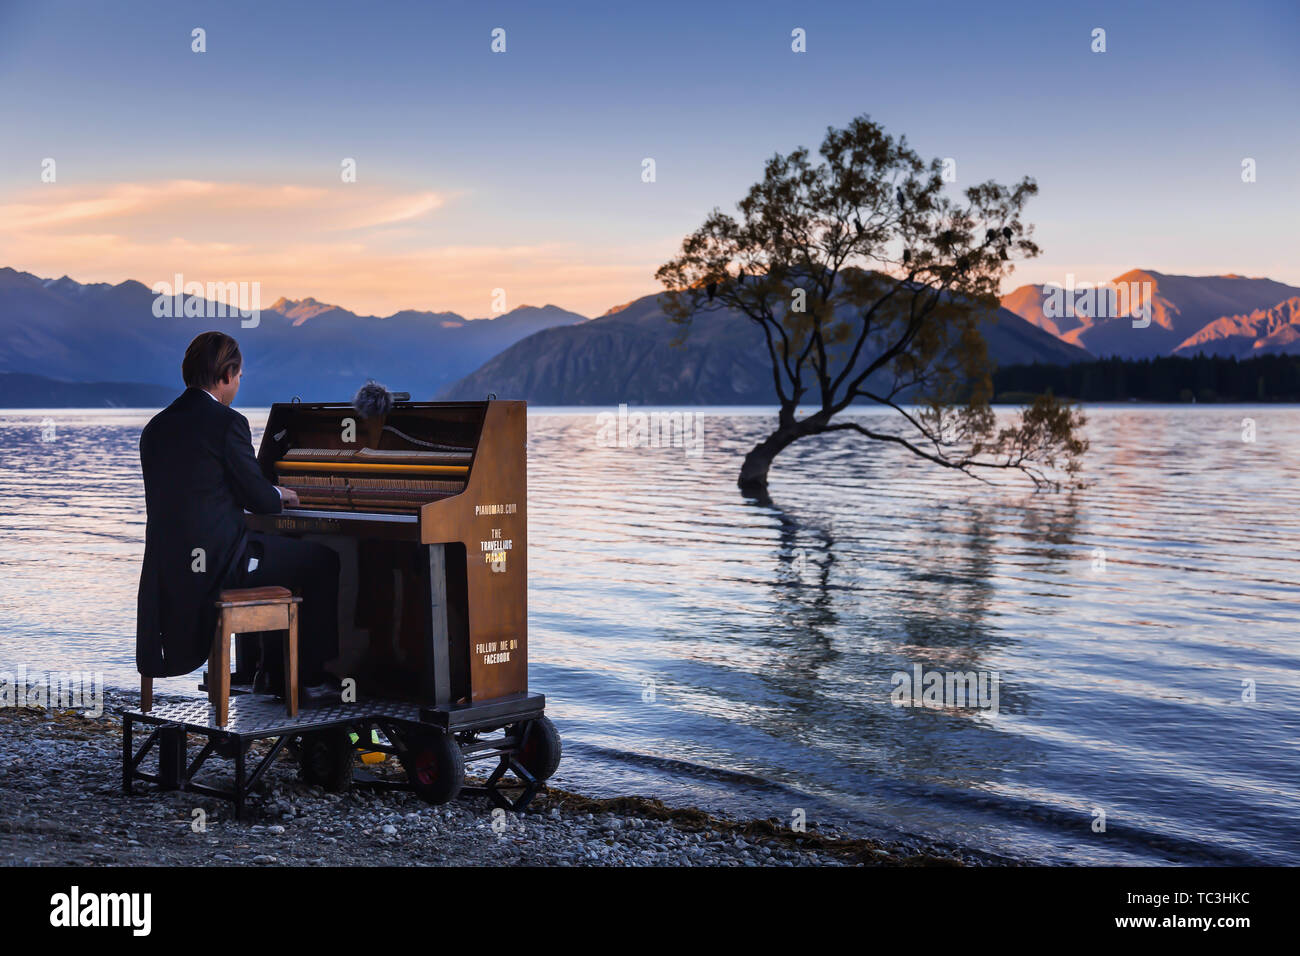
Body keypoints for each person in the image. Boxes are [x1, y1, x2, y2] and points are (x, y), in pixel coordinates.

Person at [136, 330, 340, 702]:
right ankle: (308, 679)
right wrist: (282, 493)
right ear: (226, 374)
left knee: (276, 552)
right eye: (240, 376)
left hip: (170, 571)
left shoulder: (157, 427)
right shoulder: (227, 423)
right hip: (220, 566)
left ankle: (267, 673)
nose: (239, 385)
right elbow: (261, 500)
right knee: (321, 561)